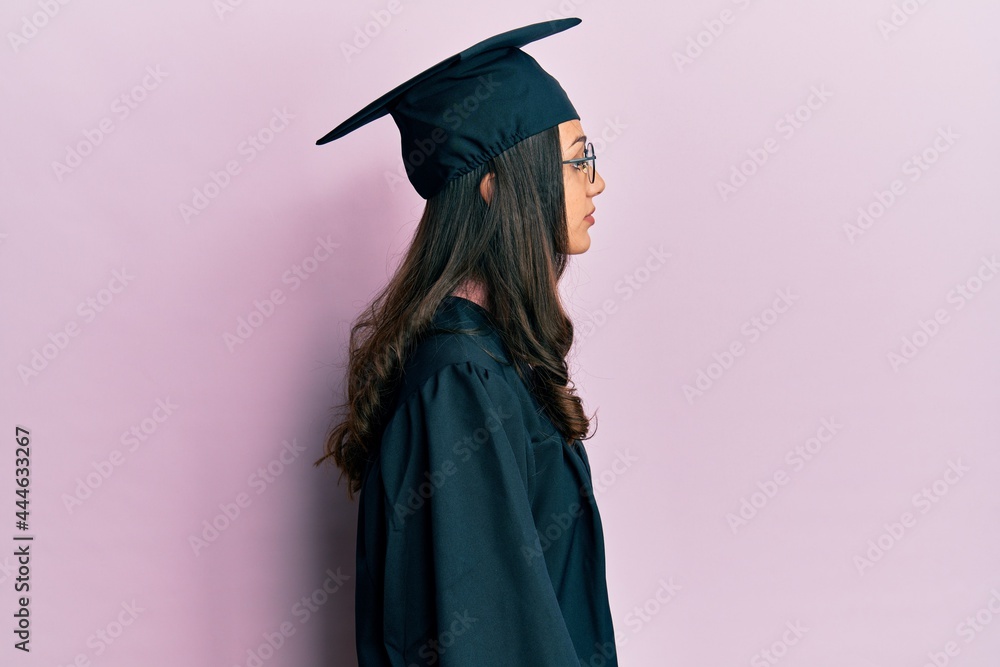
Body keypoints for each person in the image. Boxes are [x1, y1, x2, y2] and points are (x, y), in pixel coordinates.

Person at [313, 18, 616, 666]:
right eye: (577, 160)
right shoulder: (458, 383)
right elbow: (489, 639)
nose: (596, 183)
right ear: (495, 183)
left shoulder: (489, 362)